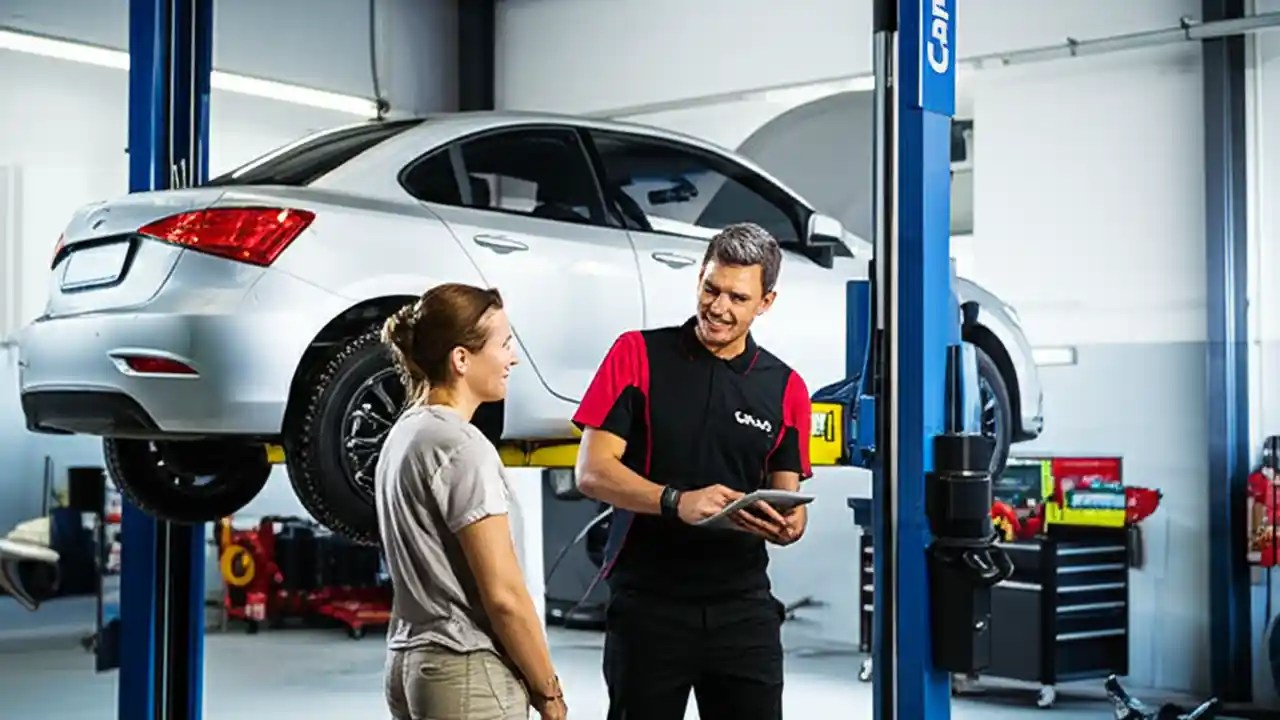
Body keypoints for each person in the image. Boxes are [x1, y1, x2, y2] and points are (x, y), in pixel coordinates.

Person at [573, 222, 813, 720]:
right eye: (711, 289)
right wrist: (675, 501)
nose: (718, 308)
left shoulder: (787, 388)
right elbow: (592, 472)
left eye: (738, 298)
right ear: (699, 280)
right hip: (649, 607)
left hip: (743, 610)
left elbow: (786, 495)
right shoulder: (635, 355)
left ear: (766, 302)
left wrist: (789, 525)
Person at [376, 283, 567, 720]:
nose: (513, 357)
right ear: (461, 359)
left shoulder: (406, 433)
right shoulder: (461, 446)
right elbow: (504, 596)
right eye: (504, 344)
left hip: (412, 661)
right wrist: (548, 693)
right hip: (466, 669)